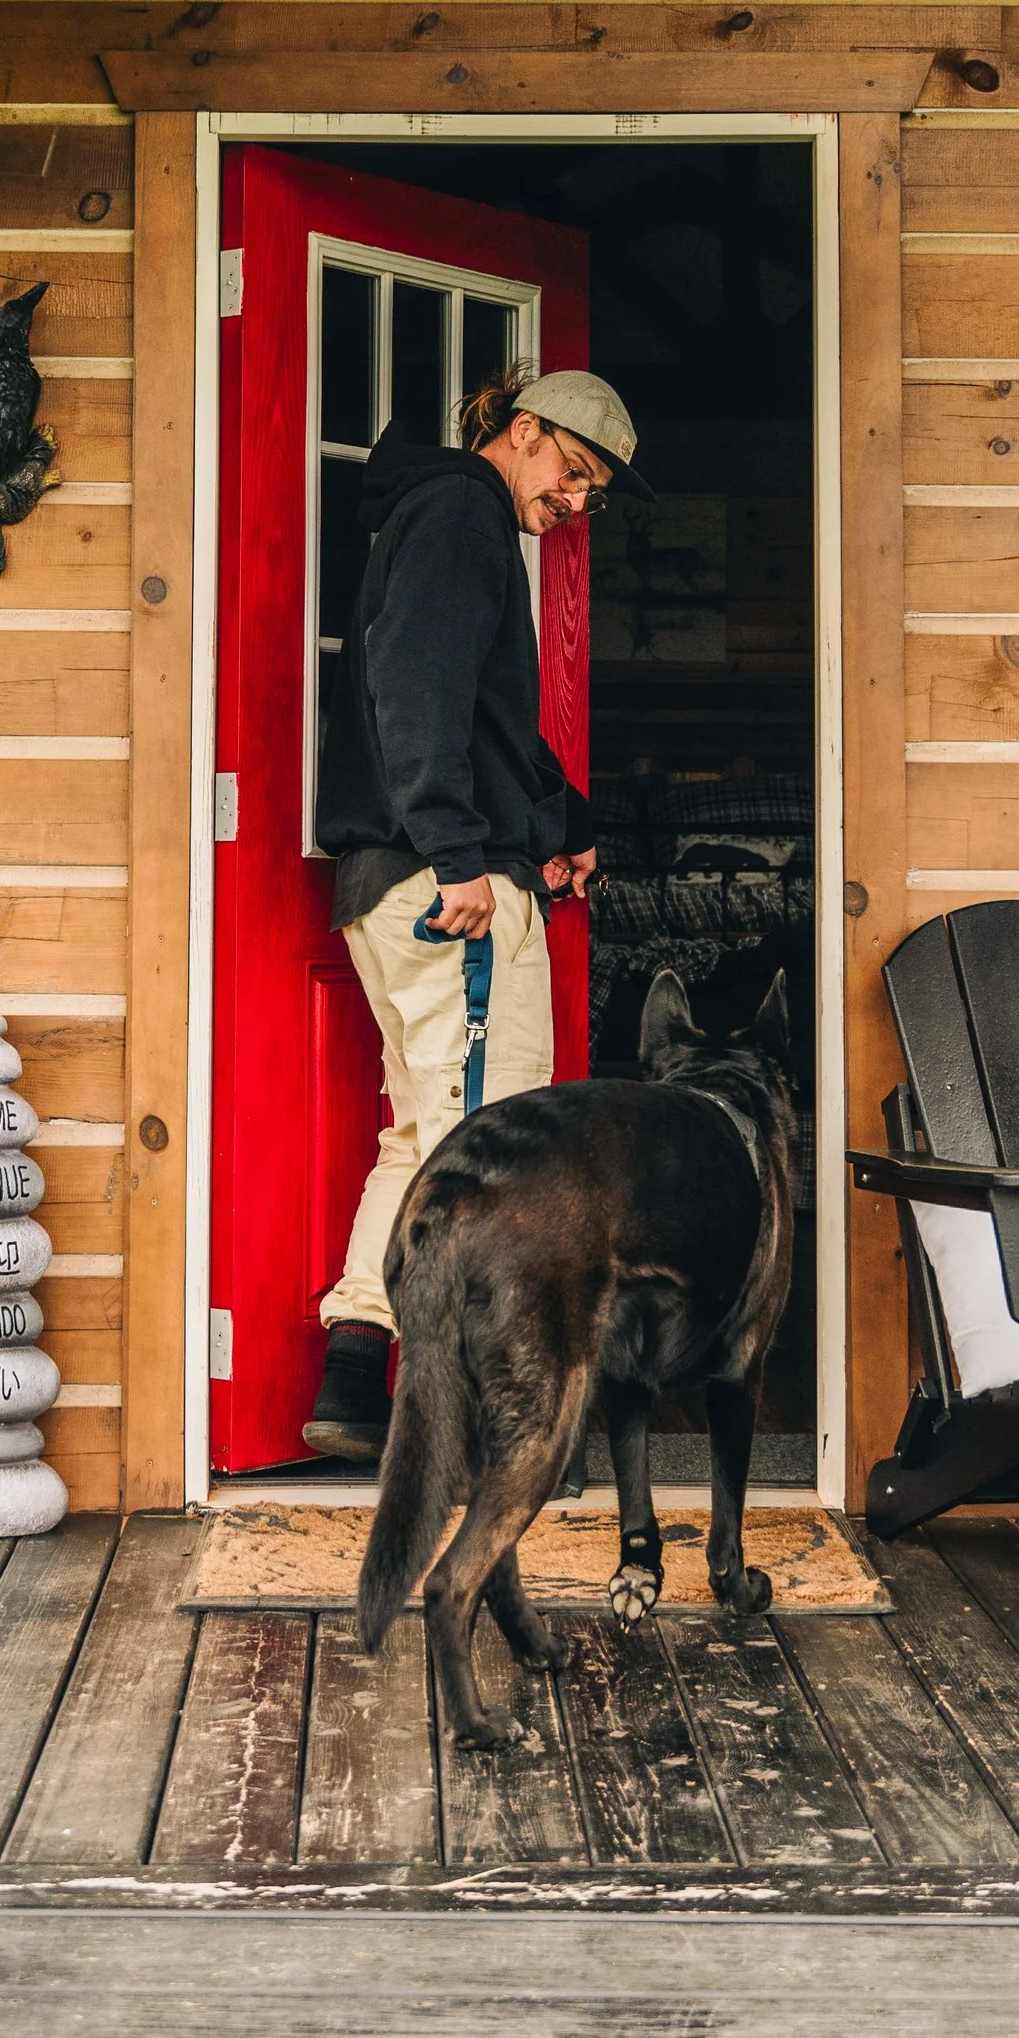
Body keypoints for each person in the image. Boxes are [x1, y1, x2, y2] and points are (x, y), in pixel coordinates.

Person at [301, 361, 654, 1463]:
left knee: (425, 1137)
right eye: (577, 473)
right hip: (438, 884)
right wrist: (461, 855)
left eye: (594, 492)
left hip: (399, 878)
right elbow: (417, 694)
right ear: (528, 431)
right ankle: (466, 1413)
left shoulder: (441, 514)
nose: (577, 504)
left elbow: (485, 723)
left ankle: (357, 1383)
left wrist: (558, 821)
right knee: (487, 1149)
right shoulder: (459, 512)